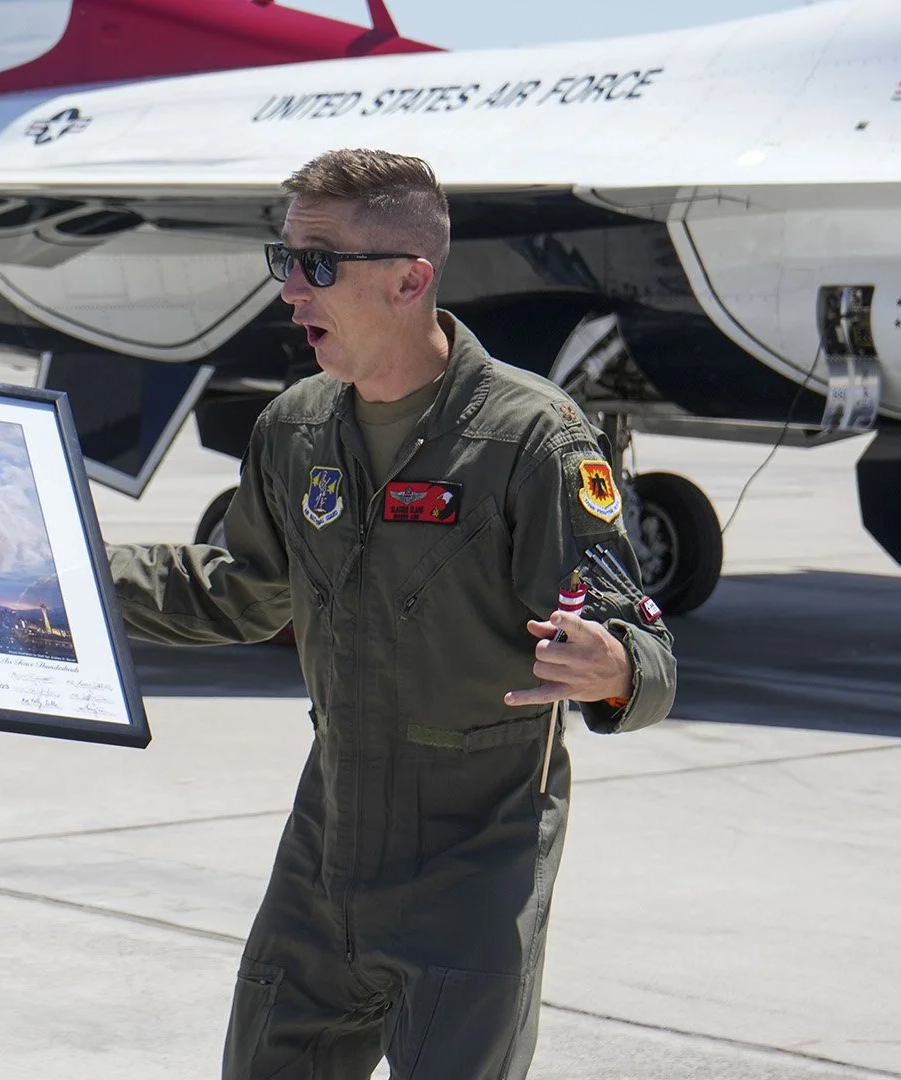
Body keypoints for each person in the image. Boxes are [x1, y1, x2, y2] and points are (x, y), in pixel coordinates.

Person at [106, 148, 678, 1079]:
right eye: (283, 259)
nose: (291, 290)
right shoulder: (293, 428)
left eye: (318, 265)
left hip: (476, 859)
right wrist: (70, 565)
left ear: (412, 279)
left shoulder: (532, 439)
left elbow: (639, 643)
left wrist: (615, 671)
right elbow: (242, 592)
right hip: (323, 846)